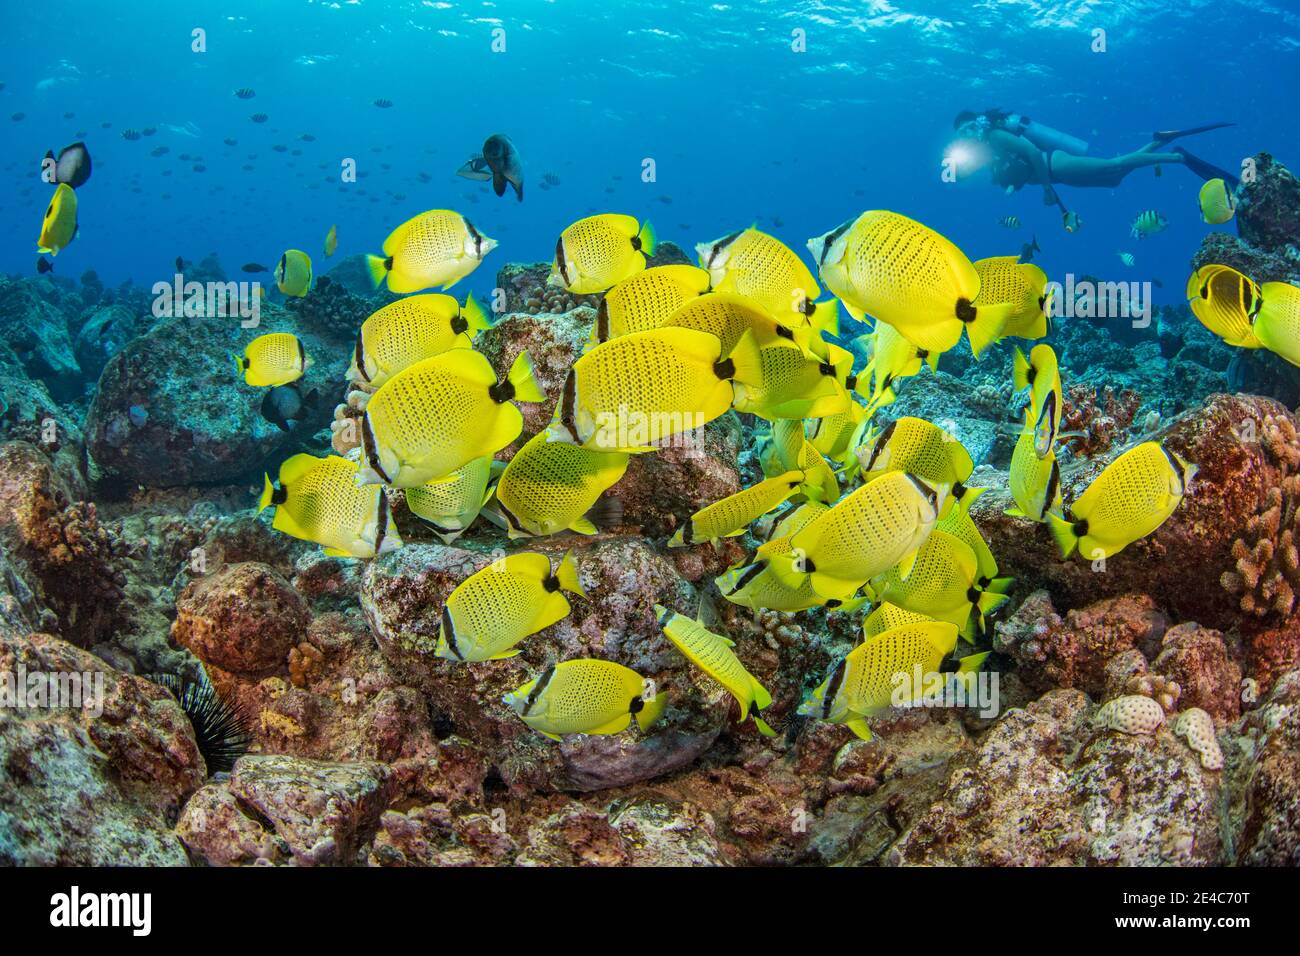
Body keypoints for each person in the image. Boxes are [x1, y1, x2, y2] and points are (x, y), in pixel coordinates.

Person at [952, 109, 1236, 231]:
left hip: (1056, 165)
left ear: (976, 125)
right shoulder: (988, 152)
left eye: (966, 131)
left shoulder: (995, 136)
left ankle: (1176, 157)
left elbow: (1031, 152)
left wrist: (1048, 190)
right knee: (1115, 178)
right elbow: (1010, 171)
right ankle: (1158, 142)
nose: (966, 137)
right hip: (1057, 176)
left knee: (1114, 165)